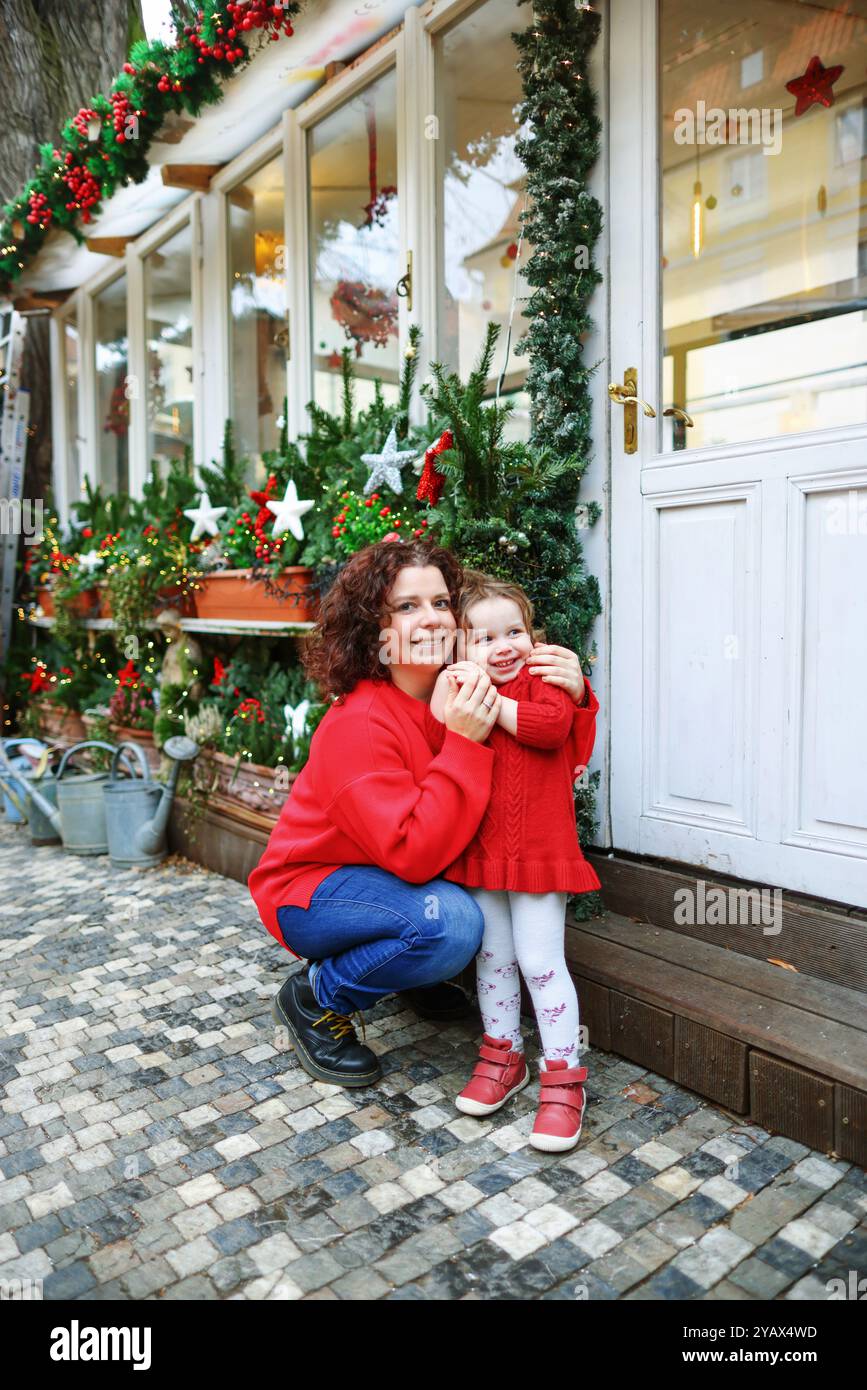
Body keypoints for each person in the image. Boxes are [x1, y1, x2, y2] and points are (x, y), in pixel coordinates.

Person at [247, 537, 591, 1089]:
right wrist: (463, 744)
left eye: (441, 603)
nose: (431, 619)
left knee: (458, 910)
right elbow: (413, 853)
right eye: (407, 607)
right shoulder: (359, 723)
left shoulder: (455, 689)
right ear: (373, 629)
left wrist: (574, 695)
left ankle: (404, 972)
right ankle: (315, 997)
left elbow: (547, 759)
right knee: (452, 924)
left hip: (385, 875)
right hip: (312, 889)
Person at [429, 570, 600, 1152]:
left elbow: (553, 730)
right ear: (460, 649)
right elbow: (437, 744)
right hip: (482, 854)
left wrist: (493, 700)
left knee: (539, 959)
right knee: (493, 957)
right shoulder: (459, 693)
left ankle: (563, 1077)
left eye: (516, 631)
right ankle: (503, 1055)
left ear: (533, 635)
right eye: (484, 638)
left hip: (538, 855)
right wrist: (452, 696)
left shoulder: (543, 682)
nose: (504, 646)